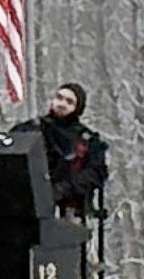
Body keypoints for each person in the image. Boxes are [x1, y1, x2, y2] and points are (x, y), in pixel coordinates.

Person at [36, 82, 110, 222]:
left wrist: (62, 189)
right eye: (59, 98)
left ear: (77, 108)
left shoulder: (87, 140)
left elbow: (95, 173)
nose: (62, 104)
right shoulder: (31, 129)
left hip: (68, 210)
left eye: (69, 102)